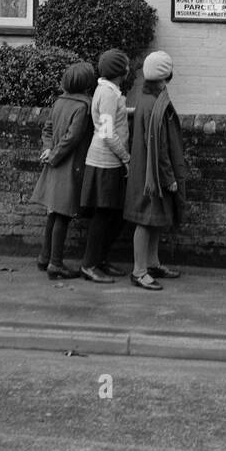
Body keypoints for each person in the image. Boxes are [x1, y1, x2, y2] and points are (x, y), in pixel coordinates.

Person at [123, 50, 186, 290]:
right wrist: (169, 177)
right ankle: (139, 271)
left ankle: (152, 262)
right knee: (145, 219)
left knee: (155, 218)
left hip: (145, 169)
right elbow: (158, 145)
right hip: (151, 175)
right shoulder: (155, 104)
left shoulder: (148, 98)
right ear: (165, 74)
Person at [32, 61, 97, 280]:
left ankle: (44, 257)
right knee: (63, 214)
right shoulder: (84, 106)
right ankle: (56, 263)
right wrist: (55, 154)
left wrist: (48, 148)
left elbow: (48, 128)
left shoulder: (59, 101)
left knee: (54, 211)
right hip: (70, 165)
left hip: (55, 163)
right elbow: (73, 137)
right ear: (87, 84)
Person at [79, 49, 133, 283]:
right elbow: (107, 132)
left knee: (113, 215)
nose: (130, 68)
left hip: (105, 161)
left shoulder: (107, 91)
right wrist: (126, 157)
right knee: (104, 215)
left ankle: (100, 260)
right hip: (105, 162)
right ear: (120, 71)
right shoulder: (109, 94)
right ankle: (89, 265)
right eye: (127, 65)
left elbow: (109, 120)